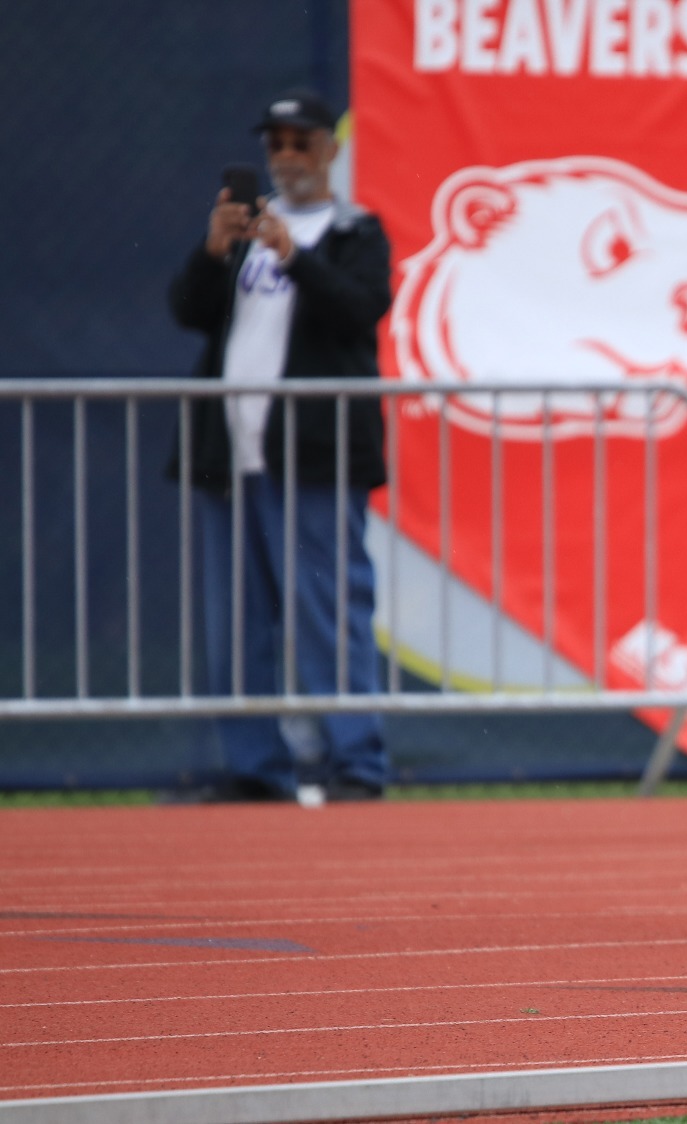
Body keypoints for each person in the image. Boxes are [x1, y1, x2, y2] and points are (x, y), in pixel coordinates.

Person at [166, 89, 392, 803]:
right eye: (276, 144)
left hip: (316, 455)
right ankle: (254, 766)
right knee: (235, 623)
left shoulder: (356, 231)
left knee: (328, 611)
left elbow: (359, 310)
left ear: (329, 148)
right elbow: (188, 313)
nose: (286, 156)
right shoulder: (240, 234)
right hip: (230, 452)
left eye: (301, 141)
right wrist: (214, 249)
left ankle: (356, 761)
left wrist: (293, 254)